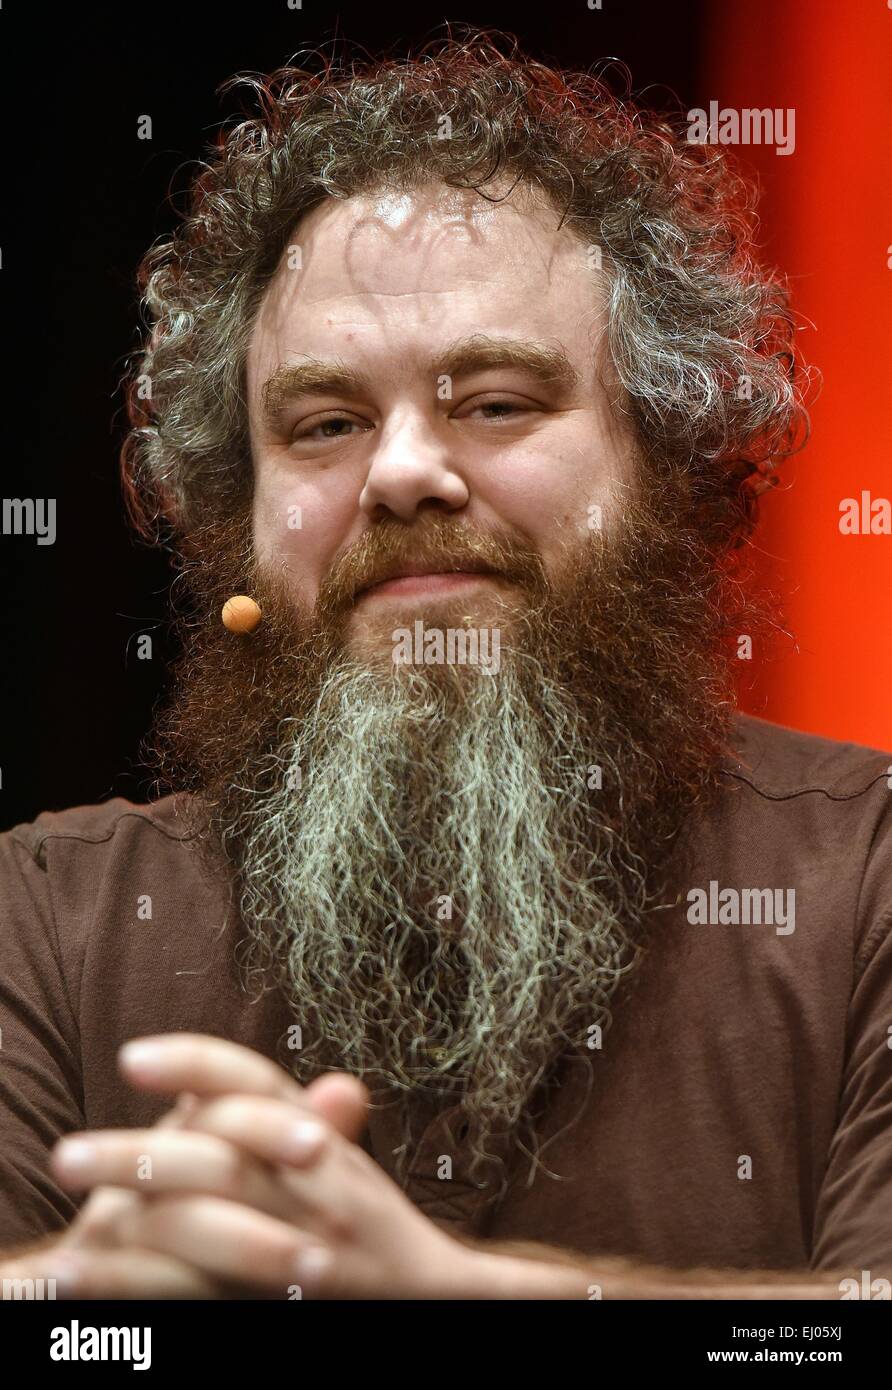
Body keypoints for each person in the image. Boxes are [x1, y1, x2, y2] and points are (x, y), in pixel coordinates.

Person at [1, 31, 890, 1300]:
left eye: (496, 402)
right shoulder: (47, 922)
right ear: (235, 512)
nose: (404, 471)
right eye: (326, 425)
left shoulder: (865, 885)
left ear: (665, 464)